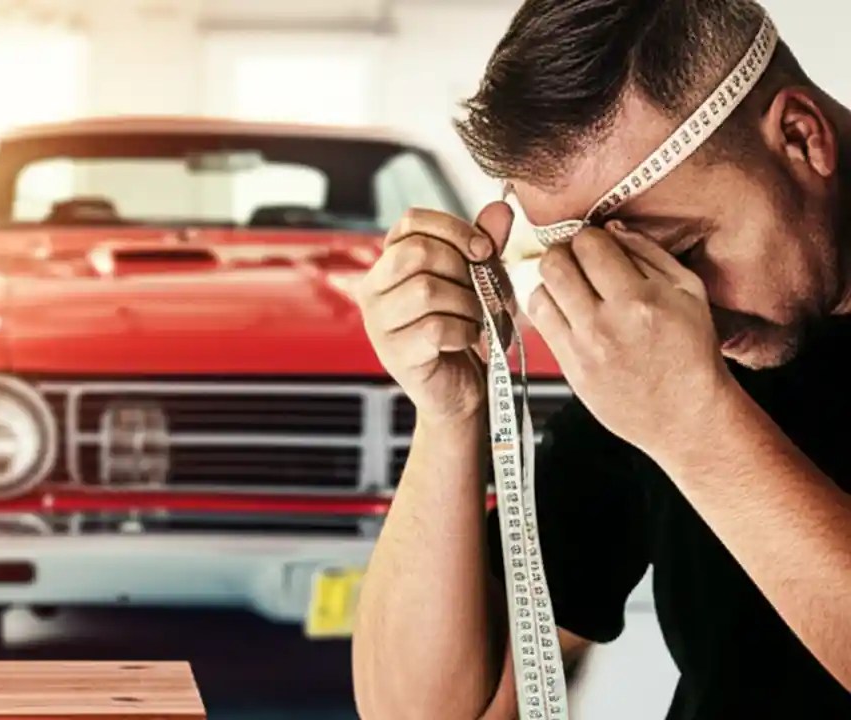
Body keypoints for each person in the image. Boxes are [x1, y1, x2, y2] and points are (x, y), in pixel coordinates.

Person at [350, 1, 851, 718]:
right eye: (620, 267)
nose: (665, 311)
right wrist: (449, 411)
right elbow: (426, 712)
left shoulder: (675, 382)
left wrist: (697, 429)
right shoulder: (661, 341)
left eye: (681, 252)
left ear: (801, 138)